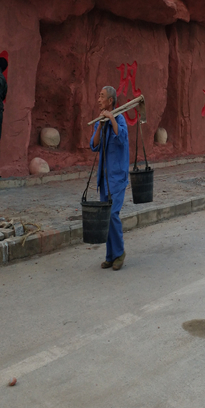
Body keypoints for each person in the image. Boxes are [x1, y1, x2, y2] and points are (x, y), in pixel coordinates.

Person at [90, 85, 129, 271]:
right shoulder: (100, 122)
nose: (99, 99)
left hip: (118, 177)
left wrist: (112, 119)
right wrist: (100, 126)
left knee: (113, 213)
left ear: (110, 101)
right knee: (106, 217)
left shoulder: (120, 120)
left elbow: (121, 138)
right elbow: (94, 145)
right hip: (104, 178)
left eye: (102, 96)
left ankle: (120, 252)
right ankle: (110, 255)